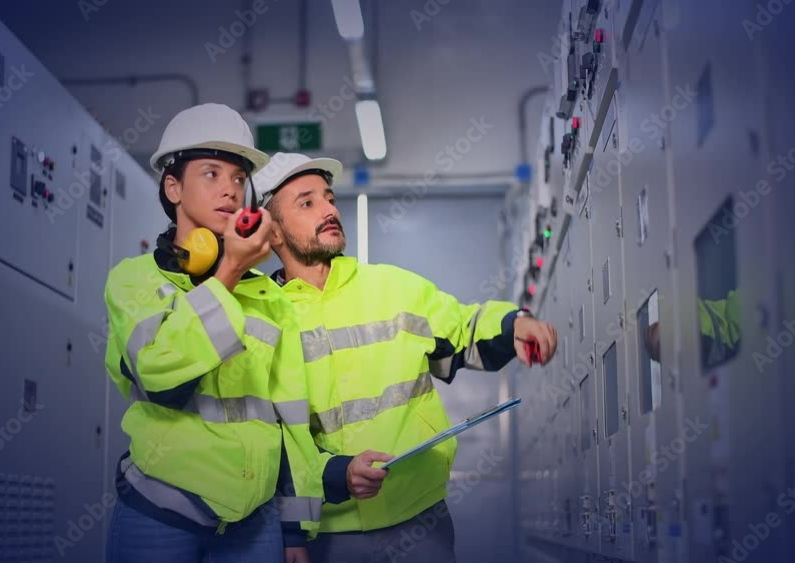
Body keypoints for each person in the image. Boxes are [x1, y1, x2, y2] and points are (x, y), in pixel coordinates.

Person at [252, 152, 559, 562]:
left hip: (419, 517)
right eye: (307, 203)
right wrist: (330, 482)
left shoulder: (391, 286)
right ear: (272, 234)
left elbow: (464, 327)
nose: (328, 210)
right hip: (331, 530)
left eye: (329, 198)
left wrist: (514, 324)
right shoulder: (264, 317)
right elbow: (274, 439)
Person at [103, 105, 349, 563]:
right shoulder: (135, 281)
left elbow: (289, 421)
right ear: (172, 187)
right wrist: (230, 270)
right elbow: (159, 376)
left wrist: (295, 529)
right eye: (211, 173)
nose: (230, 190)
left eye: (239, 179)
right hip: (160, 512)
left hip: (253, 524)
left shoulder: (269, 298)